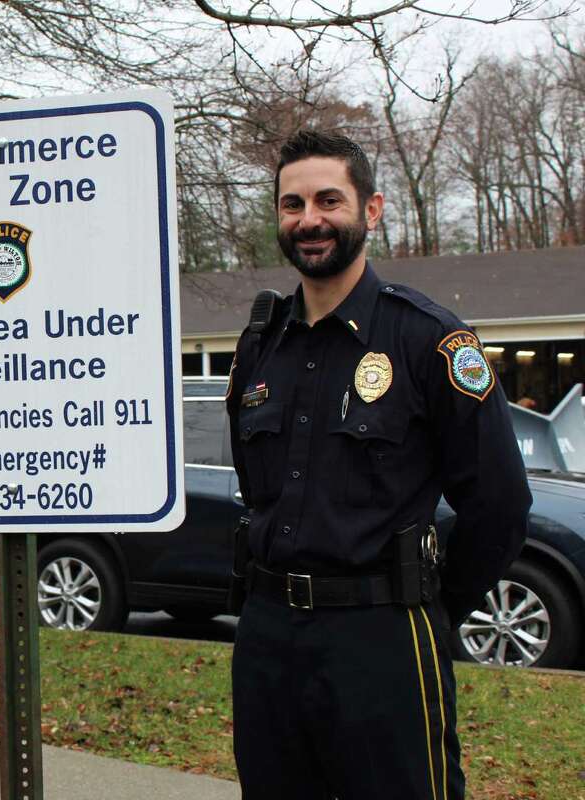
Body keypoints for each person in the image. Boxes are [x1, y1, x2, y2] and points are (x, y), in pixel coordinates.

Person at [225, 130, 530, 800]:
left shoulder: (428, 339)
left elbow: (500, 505)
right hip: (269, 638)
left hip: (383, 637)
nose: (309, 219)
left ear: (371, 209)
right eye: (292, 204)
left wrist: (430, 605)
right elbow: (255, 493)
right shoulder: (259, 348)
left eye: (329, 200)